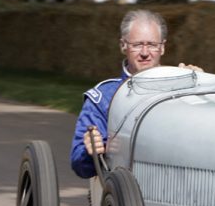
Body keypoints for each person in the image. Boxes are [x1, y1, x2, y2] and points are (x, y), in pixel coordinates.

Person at [70, 9, 200, 178]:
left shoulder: (184, 86)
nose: (145, 53)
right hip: (123, 192)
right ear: (123, 46)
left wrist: (200, 87)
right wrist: (92, 150)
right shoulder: (103, 97)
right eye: (137, 45)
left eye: (152, 45)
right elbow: (79, 165)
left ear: (162, 48)